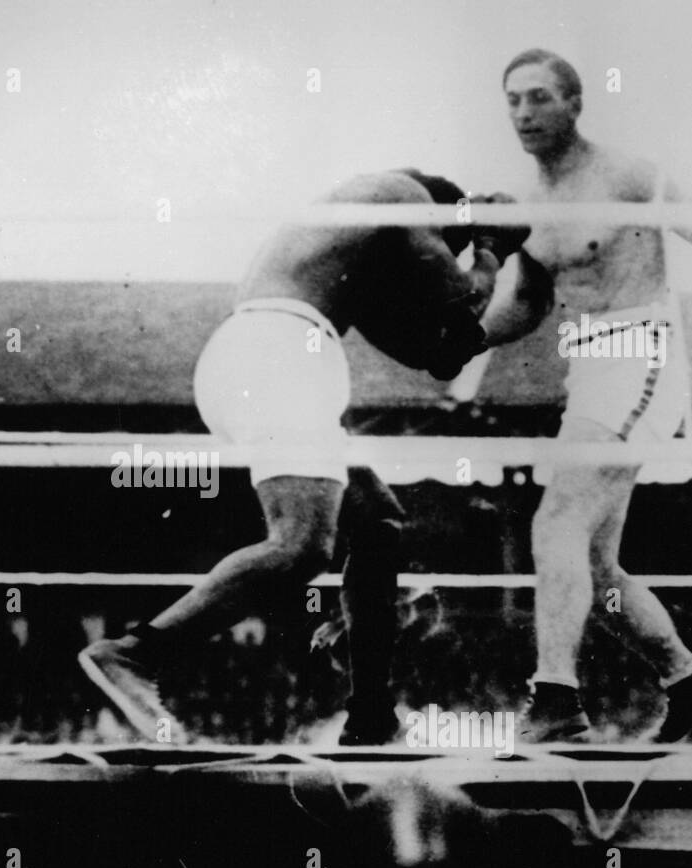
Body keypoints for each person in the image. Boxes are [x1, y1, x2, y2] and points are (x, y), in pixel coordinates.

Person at [80, 169, 545, 744]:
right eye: (446, 248)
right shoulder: (401, 195)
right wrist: (492, 247)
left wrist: (508, 306)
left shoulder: (355, 253)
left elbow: (443, 352)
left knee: (378, 524)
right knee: (302, 544)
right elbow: (460, 298)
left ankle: (371, 716)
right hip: (280, 355)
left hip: (265, 357)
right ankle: (134, 652)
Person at [483, 50, 692, 742]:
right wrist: (459, 339)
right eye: (512, 100)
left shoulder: (625, 175)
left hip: (641, 351)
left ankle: (557, 701)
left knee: (555, 523)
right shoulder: (526, 204)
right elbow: (529, 303)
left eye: (539, 97)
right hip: (587, 362)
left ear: (574, 104)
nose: (524, 113)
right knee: (592, 565)